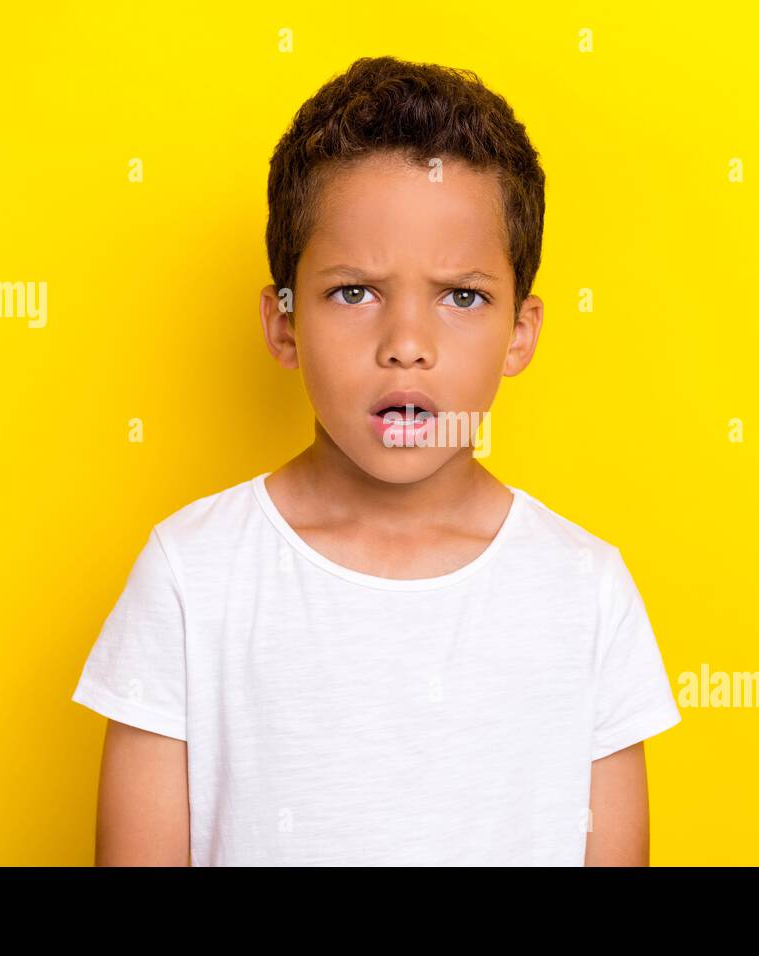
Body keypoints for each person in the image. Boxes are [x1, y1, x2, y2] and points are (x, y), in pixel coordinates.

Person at [71, 55, 681, 866]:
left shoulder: (586, 591)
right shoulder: (193, 576)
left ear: (521, 333)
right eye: (354, 292)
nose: (406, 347)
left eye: (461, 296)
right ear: (283, 323)